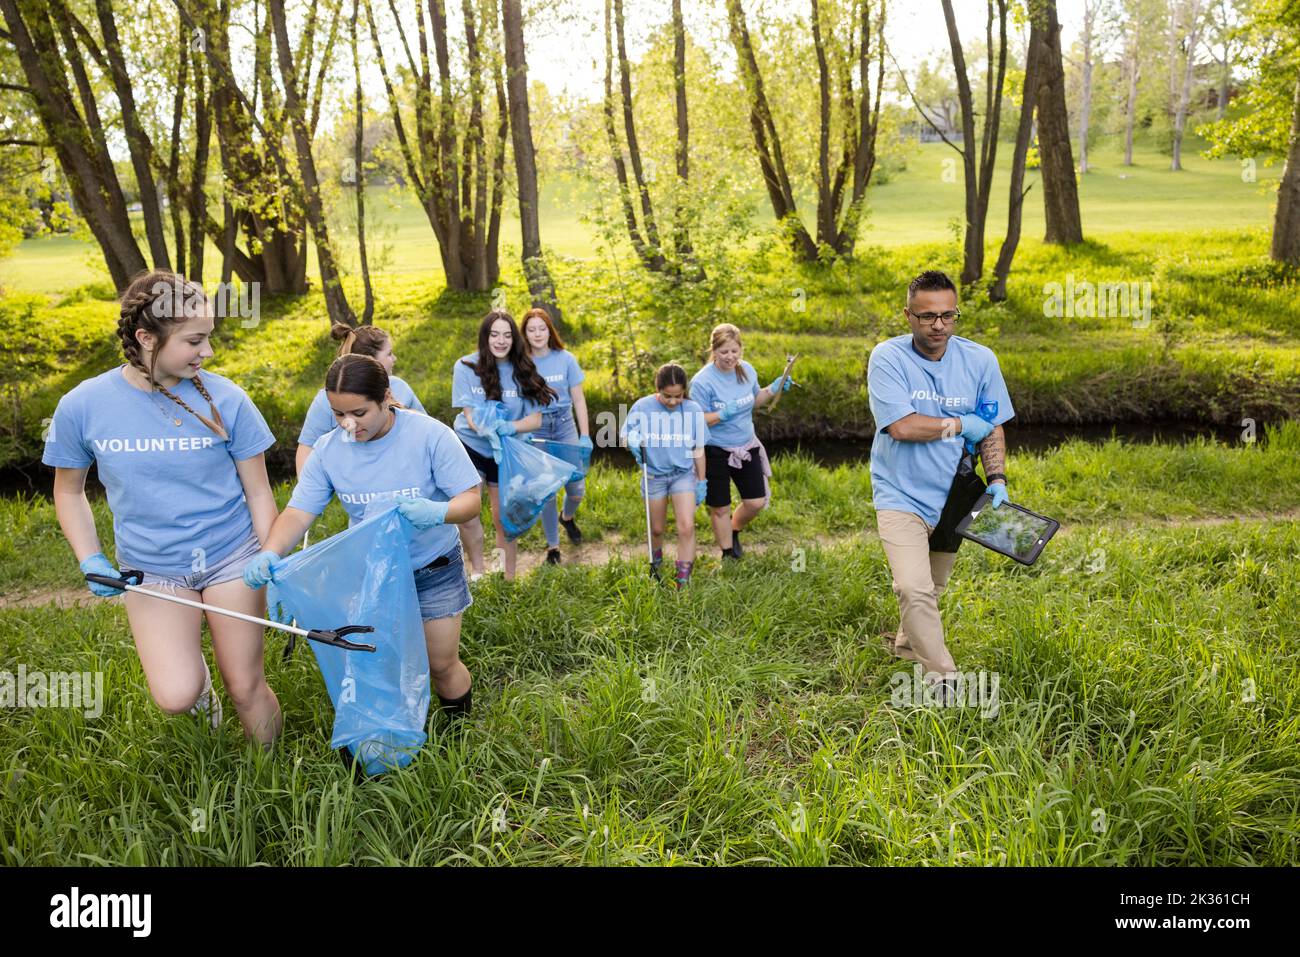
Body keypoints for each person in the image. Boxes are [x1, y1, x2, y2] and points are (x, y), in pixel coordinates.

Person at [42, 270, 282, 744]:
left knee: (245, 684)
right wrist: (89, 557)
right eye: (195, 340)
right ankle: (208, 733)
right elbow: (68, 491)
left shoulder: (229, 399)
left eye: (209, 338)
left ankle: (271, 779)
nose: (207, 352)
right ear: (146, 338)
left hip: (232, 557)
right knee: (176, 695)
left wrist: (272, 555)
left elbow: (258, 490)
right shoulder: (83, 405)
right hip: (150, 569)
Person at [242, 354, 483, 725]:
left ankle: (461, 731)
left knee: (441, 662)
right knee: (380, 662)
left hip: (432, 567)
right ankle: (392, 733)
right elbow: (298, 512)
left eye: (359, 412)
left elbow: (470, 501)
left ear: (386, 397)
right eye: (338, 414)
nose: (349, 424)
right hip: (376, 571)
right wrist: (270, 552)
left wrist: (437, 512)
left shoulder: (430, 435)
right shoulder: (329, 450)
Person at [867, 269, 1014, 700]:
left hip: (955, 491)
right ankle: (944, 681)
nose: (939, 326)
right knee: (912, 586)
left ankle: (906, 645)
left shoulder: (981, 360)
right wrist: (958, 423)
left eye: (948, 316)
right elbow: (902, 427)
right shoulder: (888, 358)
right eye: (928, 316)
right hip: (901, 492)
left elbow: (991, 427)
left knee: (932, 586)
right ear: (908, 316)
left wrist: (998, 479)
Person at [451, 310, 553, 580]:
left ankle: (504, 577)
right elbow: (470, 414)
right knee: (468, 513)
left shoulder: (524, 369)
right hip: (471, 445)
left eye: (507, 335)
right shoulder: (465, 366)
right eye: (494, 334)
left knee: (503, 518)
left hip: (506, 450)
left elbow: (535, 419)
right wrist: (485, 428)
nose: (501, 341)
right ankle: (478, 572)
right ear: (485, 337)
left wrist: (509, 428)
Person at [690, 323, 794, 560]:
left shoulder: (746, 370)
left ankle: (734, 529)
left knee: (755, 502)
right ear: (714, 351)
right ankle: (728, 553)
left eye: (734, 351)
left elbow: (756, 400)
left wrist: (774, 388)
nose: (730, 357)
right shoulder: (702, 382)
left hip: (746, 444)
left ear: (741, 350)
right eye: (724, 352)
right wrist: (722, 414)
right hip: (714, 449)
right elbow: (696, 421)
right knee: (720, 507)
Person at [295, 322, 426, 475]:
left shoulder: (400, 387)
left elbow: (427, 429)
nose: (394, 359)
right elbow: (307, 447)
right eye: (389, 354)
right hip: (358, 482)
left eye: (359, 412)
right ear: (371, 360)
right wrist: (307, 490)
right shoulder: (326, 399)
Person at [622, 363, 709, 587]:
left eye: (678, 396)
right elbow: (624, 435)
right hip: (654, 476)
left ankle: (683, 578)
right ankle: (656, 565)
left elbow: (698, 449)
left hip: (682, 475)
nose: (672, 402)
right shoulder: (642, 407)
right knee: (657, 529)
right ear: (657, 389)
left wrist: (701, 480)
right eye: (667, 396)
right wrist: (630, 439)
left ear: (684, 391)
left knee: (686, 526)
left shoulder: (693, 410)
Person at [522, 307, 592, 564]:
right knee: (547, 490)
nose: (537, 334)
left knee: (576, 488)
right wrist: (522, 431)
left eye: (542, 328)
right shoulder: (522, 363)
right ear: (525, 334)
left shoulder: (566, 359)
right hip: (537, 428)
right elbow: (518, 400)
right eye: (532, 329)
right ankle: (553, 547)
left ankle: (568, 517)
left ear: (549, 330)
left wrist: (585, 434)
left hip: (564, 425)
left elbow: (578, 398)